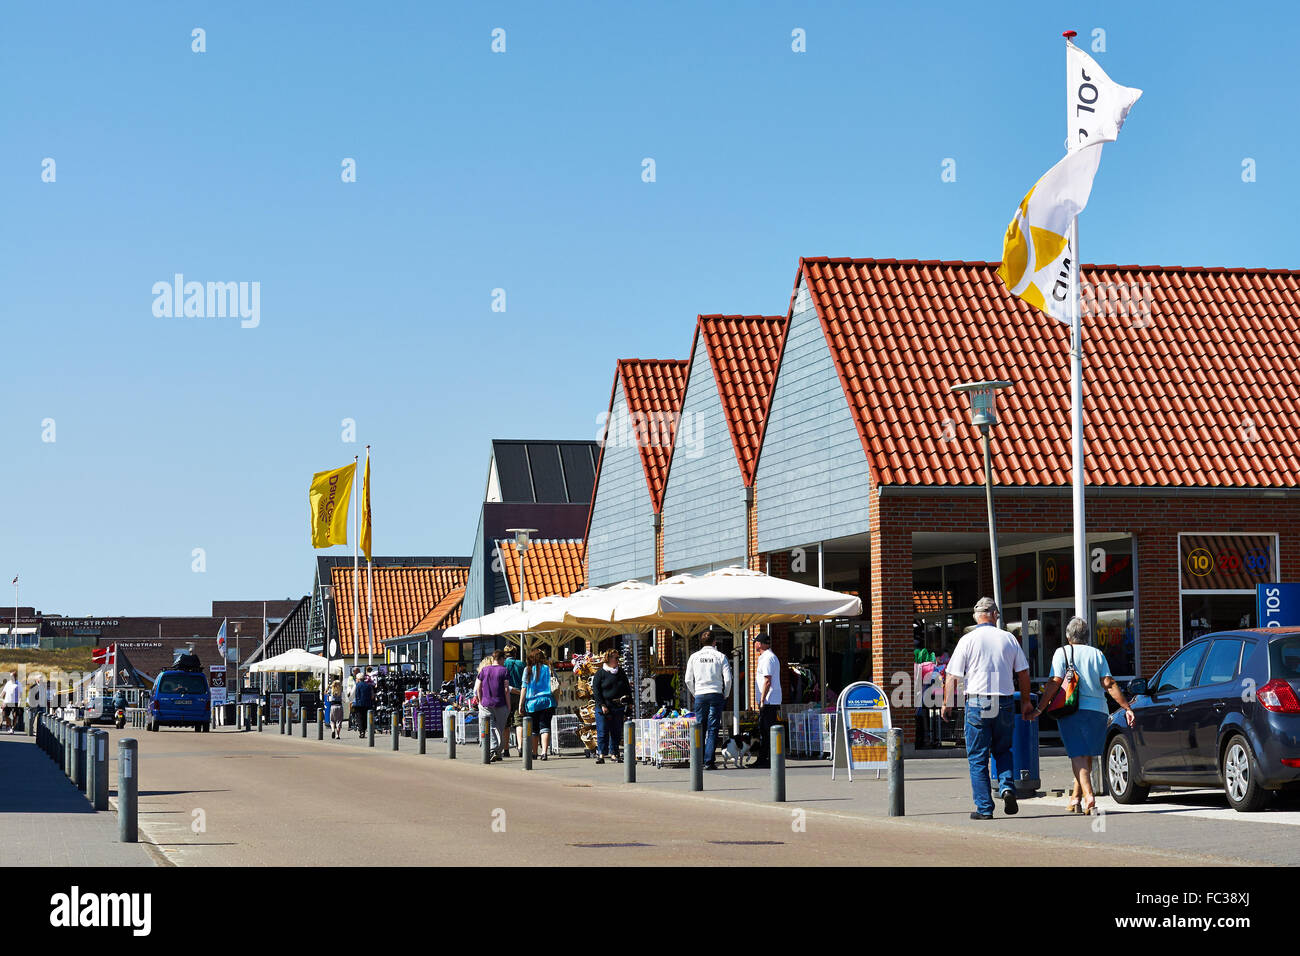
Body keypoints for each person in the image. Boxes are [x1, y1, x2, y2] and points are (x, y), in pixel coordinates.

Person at [1031, 616, 1136, 815]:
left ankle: (1089, 796)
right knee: (1085, 754)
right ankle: (1075, 799)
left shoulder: (1061, 652)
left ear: (1068, 636)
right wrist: (1127, 707)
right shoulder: (1097, 654)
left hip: (1071, 710)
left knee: (1077, 754)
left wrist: (1040, 708)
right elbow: (1110, 684)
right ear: (1087, 636)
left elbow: (1054, 682)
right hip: (1098, 711)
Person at [942, 597, 1033, 820]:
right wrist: (1026, 702)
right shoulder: (1009, 639)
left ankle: (984, 808)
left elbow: (953, 675)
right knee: (1003, 750)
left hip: (977, 701)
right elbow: (1023, 672)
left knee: (978, 757)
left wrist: (946, 703)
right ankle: (1007, 787)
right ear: (994, 615)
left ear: (976, 617)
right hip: (1003, 701)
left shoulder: (967, 640)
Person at [685, 635, 732, 770]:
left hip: (700, 694)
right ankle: (709, 761)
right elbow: (728, 679)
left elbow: (688, 679)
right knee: (712, 729)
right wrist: (726, 694)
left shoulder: (694, 657)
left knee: (700, 728)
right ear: (714, 642)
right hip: (716, 693)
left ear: (701, 642)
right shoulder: (720, 656)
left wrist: (695, 693)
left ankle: (698, 759)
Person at [591, 649, 632, 765]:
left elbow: (627, 688)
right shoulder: (600, 673)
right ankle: (601, 754)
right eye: (615, 658)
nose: (617, 660)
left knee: (616, 731)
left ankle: (614, 753)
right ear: (608, 659)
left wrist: (630, 702)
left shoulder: (621, 672)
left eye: (618, 658)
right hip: (604, 707)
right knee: (602, 731)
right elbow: (596, 691)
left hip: (617, 706)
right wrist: (602, 705)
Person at [474, 650, 511, 762]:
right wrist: (509, 705)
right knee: (499, 728)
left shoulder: (484, 670)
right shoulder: (504, 670)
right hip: (501, 703)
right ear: (500, 659)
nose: (504, 661)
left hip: (486, 703)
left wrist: (480, 700)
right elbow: (506, 689)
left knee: (490, 727)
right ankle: (495, 750)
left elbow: (478, 687)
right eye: (504, 659)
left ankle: (496, 752)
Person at [752, 635, 782, 769]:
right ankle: (764, 758)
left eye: (756, 642)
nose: (754, 644)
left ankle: (766, 759)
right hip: (769, 700)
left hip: (769, 700)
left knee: (766, 731)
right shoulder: (766, 657)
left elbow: (767, 680)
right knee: (764, 730)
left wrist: (762, 699)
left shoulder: (768, 658)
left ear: (760, 643)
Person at [521, 650, 556, 760]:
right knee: (545, 727)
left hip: (532, 703)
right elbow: (556, 683)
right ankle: (544, 752)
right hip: (547, 701)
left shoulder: (528, 669)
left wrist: (521, 704)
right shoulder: (548, 668)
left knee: (534, 729)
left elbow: (524, 688)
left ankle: (534, 752)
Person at [504, 645, 524, 757]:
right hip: (519, 694)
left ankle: (506, 749)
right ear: (515, 653)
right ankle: (520, 747)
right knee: (519, 722)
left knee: (506, 724)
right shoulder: (521, 664)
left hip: (506, 695)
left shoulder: (503, 665)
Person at [352, 667, 374, 738]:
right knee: (365, 717)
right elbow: (372, 696)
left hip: (358, 704)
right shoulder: (369, 686)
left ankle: (361, 731)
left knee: (359, 718)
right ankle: (364, 730)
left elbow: (352, 694)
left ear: (358, 679)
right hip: (367, 704)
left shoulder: (356, 685)